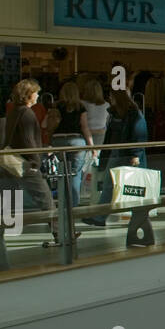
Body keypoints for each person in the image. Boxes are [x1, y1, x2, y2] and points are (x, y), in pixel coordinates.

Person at [0, 79, 54, 246]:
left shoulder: (14, 111)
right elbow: (28, 140)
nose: (38, 95)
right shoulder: (27, 113)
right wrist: (36, 161)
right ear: (29, 95)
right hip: (25, 165)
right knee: (46, 200)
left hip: (12, 162)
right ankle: (62, 234)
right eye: (36, 92)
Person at [85, 90, 148, 227]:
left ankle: (137, 216)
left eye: (112, 97)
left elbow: (139, 134)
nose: (110, 99)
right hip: (116, 153)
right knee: (109, 185)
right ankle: (100, 217)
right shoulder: (114, 114)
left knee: (131, 187)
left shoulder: (133, 115)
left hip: (127, 155)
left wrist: (136, 154)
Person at [49, 81, 94, 210]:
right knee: (75, 173)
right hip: (76, 142)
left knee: (62, 173)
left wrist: (49, 141)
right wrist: (92, 147)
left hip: (58, 141)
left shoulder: (56, 106)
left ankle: (63, 203)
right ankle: (73, 205)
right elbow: (85, 128)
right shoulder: (80, 107)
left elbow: (50, 126)